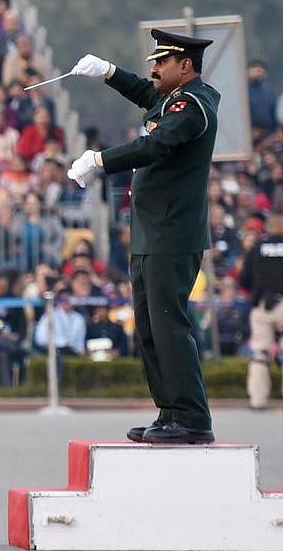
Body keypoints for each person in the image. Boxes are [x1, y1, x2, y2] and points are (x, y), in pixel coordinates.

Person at [67, 29, 220, 444]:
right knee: (151, 326)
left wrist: (100, 160)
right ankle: (170, 411)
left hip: (172, 231)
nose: (154, 68)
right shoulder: (171, 98)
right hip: (154, 230)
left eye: (162, 62)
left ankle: (191, 417)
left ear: (185, 66)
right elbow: (143, 90)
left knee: (169, 324)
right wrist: (109, 72)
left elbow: (155, 146)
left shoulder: (192, 105)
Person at [239, 215, 283, 410]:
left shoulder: (257, 247)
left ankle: (258, 400)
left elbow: (244, 278)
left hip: (262, 304)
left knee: (260, 354)